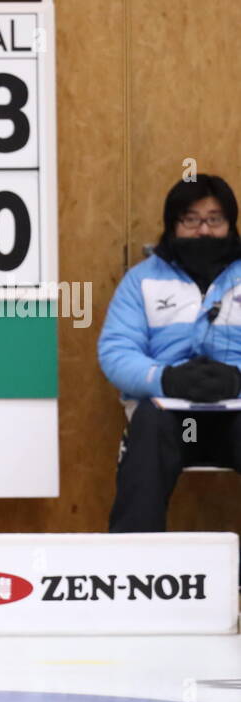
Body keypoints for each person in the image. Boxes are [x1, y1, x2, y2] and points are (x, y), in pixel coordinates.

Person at [98, 174, 241, 536]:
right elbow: (116, 351)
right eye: (191, 220)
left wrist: (237, 379)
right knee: (148, 429)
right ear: (172, 224)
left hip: (234, 422)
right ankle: (136, 572)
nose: (203, 231)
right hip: (176, 426)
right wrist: (166, 378)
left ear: (231, 224)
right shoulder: (141, 280)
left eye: (215, 219)